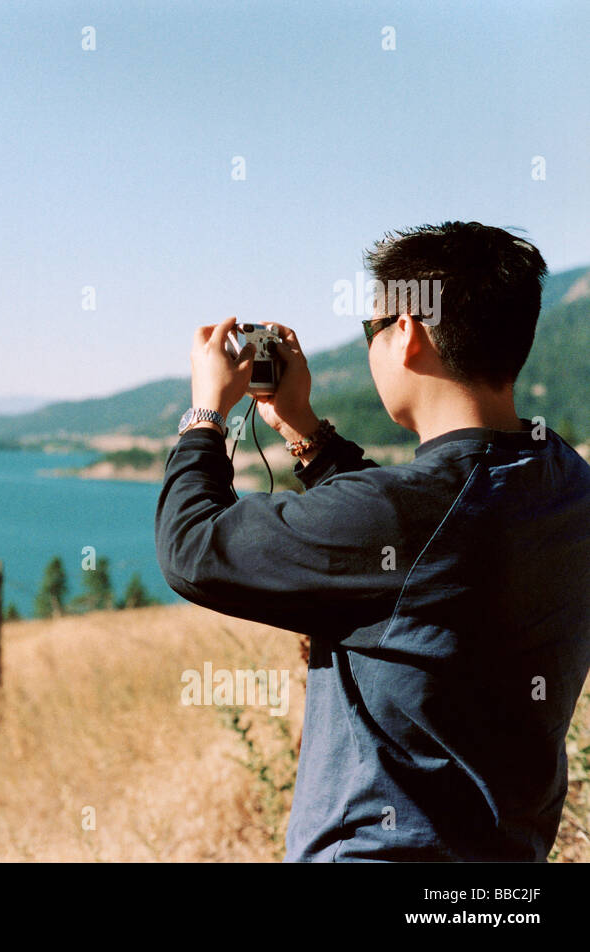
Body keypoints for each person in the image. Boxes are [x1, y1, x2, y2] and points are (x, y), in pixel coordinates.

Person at [155, 221, 590, 861]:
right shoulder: (566, 480)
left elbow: (191, 547)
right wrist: (304, 431)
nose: (369, 346)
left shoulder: (409, 514)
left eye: (371, 330)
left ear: (408, 334)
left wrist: (204, 416)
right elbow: (421, 549)